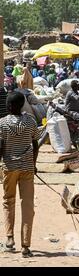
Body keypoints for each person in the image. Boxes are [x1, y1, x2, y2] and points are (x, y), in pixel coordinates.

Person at [0, 92, 40, 258]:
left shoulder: (2, 123)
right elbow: (35, 143)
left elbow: (0, 146)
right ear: (23, 104)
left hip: (9, 167)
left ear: (8, 107)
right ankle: (25, 246)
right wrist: (34, 164)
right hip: (27, 168)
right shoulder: (30, 121)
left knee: (9, 201)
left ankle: (9, 240)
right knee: (27, 205)